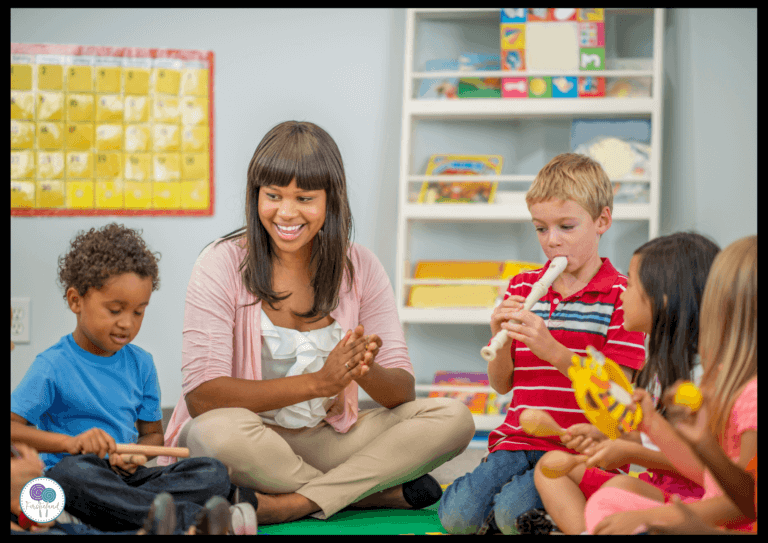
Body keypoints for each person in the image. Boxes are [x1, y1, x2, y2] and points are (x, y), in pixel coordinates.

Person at [158, 121, 475, 525]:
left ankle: (294, 503)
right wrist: (319, 383)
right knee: (211, 434)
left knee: (453, 418)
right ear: (257, 195)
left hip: (326, 440)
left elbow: (402, 392)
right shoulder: (221, 262)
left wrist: (363, 368)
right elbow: (203, 398)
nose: (286, 213)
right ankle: (362, 494)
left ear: (331, 201)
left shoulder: (360, 266)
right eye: (273, 196)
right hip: (250, 439)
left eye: (305, 198)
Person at [438, 153, 647, 534]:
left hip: (581, 450)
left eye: (566, 227)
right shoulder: (523, 286)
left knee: (510, 515)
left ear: (602, 221)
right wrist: (500, 340)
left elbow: (617, 393)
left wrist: (553, 350)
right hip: (517, 440)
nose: (552, 240)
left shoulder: (623, 296)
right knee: (456, 517)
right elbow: (502, 384)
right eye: (541, 228)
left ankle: (543, 512)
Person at [10, 224, 256, 534]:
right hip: (74, 479)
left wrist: (137, 454)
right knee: (70, 474)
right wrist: (70, 443)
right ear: (75, 301)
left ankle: (133, 516)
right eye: (115, 310)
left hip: (124, 480)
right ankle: (195, 519)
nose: (127, 323)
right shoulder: (52, 365)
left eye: (138, 312)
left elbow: (152, 435)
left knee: (212, 472)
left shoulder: (142, 364)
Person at [534, 232, 719, 534]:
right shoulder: (658, 367)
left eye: (631, 284)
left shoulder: (700, 380)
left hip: (698, 501)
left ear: (661, 300)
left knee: (617, 488)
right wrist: (607, 436)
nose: (622, 294)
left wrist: (631, 453)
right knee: (550, 466)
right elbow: (653, 437)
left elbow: (704, 469)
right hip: (660, 486)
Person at [585, 235, 757, 534]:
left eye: (711, 298)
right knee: (608, 499)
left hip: (711, 520)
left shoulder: (749, 394)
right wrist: (653, 423)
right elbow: (715, 480)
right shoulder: (725, 382)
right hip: (703, 513)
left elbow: (745, 505)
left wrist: (662, 518)